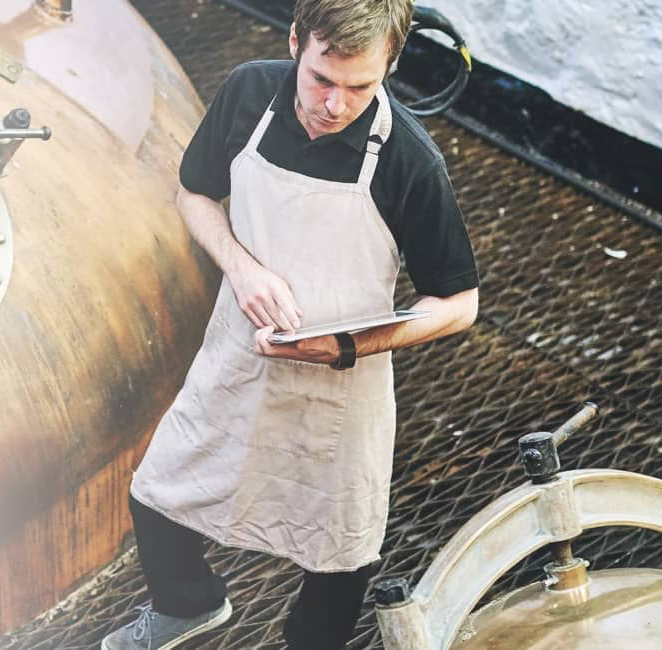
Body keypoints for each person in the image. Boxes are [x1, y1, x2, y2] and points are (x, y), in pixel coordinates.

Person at [101, 1, 480, 648]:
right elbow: (194, 193)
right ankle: (188, 603)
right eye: (321, 80)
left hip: (343, 386)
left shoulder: (411, 163)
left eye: (361, 87)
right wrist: (243, 270)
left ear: (389, 64)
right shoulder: (250, 91)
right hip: (239, 346)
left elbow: (458, 303)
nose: (335, 105)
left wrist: (344, 345)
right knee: (157, 492)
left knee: (339, 554)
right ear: (296, 41)